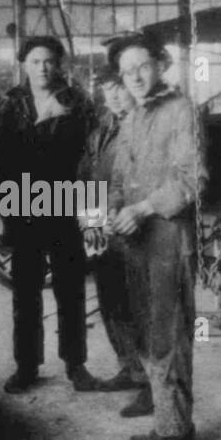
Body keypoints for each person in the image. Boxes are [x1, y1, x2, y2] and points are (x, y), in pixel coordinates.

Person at [106, 33, 207, 440]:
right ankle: (176, 429)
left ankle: (169, 439)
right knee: (146, 334)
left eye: (142, 67)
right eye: (127, 73)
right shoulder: (134, 116)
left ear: (160, 65)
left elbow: (192, 180)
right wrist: (110, 211)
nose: (136, 78)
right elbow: (120, 175)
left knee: (167, 339)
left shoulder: (180, 110)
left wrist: (143, 209)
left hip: (166, 239)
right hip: (133, 241)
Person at [0, 36, 104, 394]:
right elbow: (1, 164)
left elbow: (90, 160)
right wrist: (6, 214)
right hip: (24, 204)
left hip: (66, 204)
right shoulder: (10, 106)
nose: (43, 67)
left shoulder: (78, 102)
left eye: (50, 61)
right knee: (26, 292)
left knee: (70, 288)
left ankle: (76, 365)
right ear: (24, 65)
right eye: (36, 61)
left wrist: (92, 220)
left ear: (60, 66)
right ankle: (26, 366)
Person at [80, 72, 146, 392]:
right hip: (105, 230)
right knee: (111, 301)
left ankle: (151, 383)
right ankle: (130, 368)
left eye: (119, 88)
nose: (114, 96)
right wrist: (91, 221)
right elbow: (87, 177)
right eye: (108, 90)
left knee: (140, 307)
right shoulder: (102, 130)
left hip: (137, 229)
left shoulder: (146, 127)